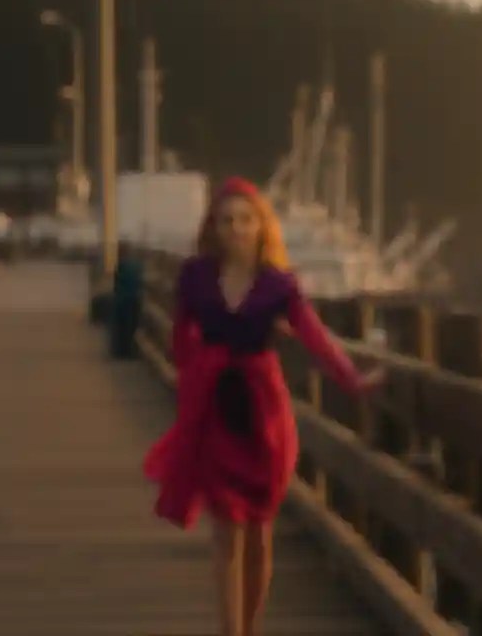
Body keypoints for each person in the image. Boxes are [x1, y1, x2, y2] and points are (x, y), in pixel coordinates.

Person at [143, 176, 384, 636]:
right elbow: (181, 336)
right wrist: (194, 375)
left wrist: (352, 379)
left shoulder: (279, 285)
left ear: (261, 225)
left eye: (245, 219)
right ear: (213, 228)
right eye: (226, 220)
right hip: (215, 407)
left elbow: (315, 337)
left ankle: (249, 628)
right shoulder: (196, 277)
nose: (235, 228)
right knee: (225, 532)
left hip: (263, 415)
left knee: (258, 532)